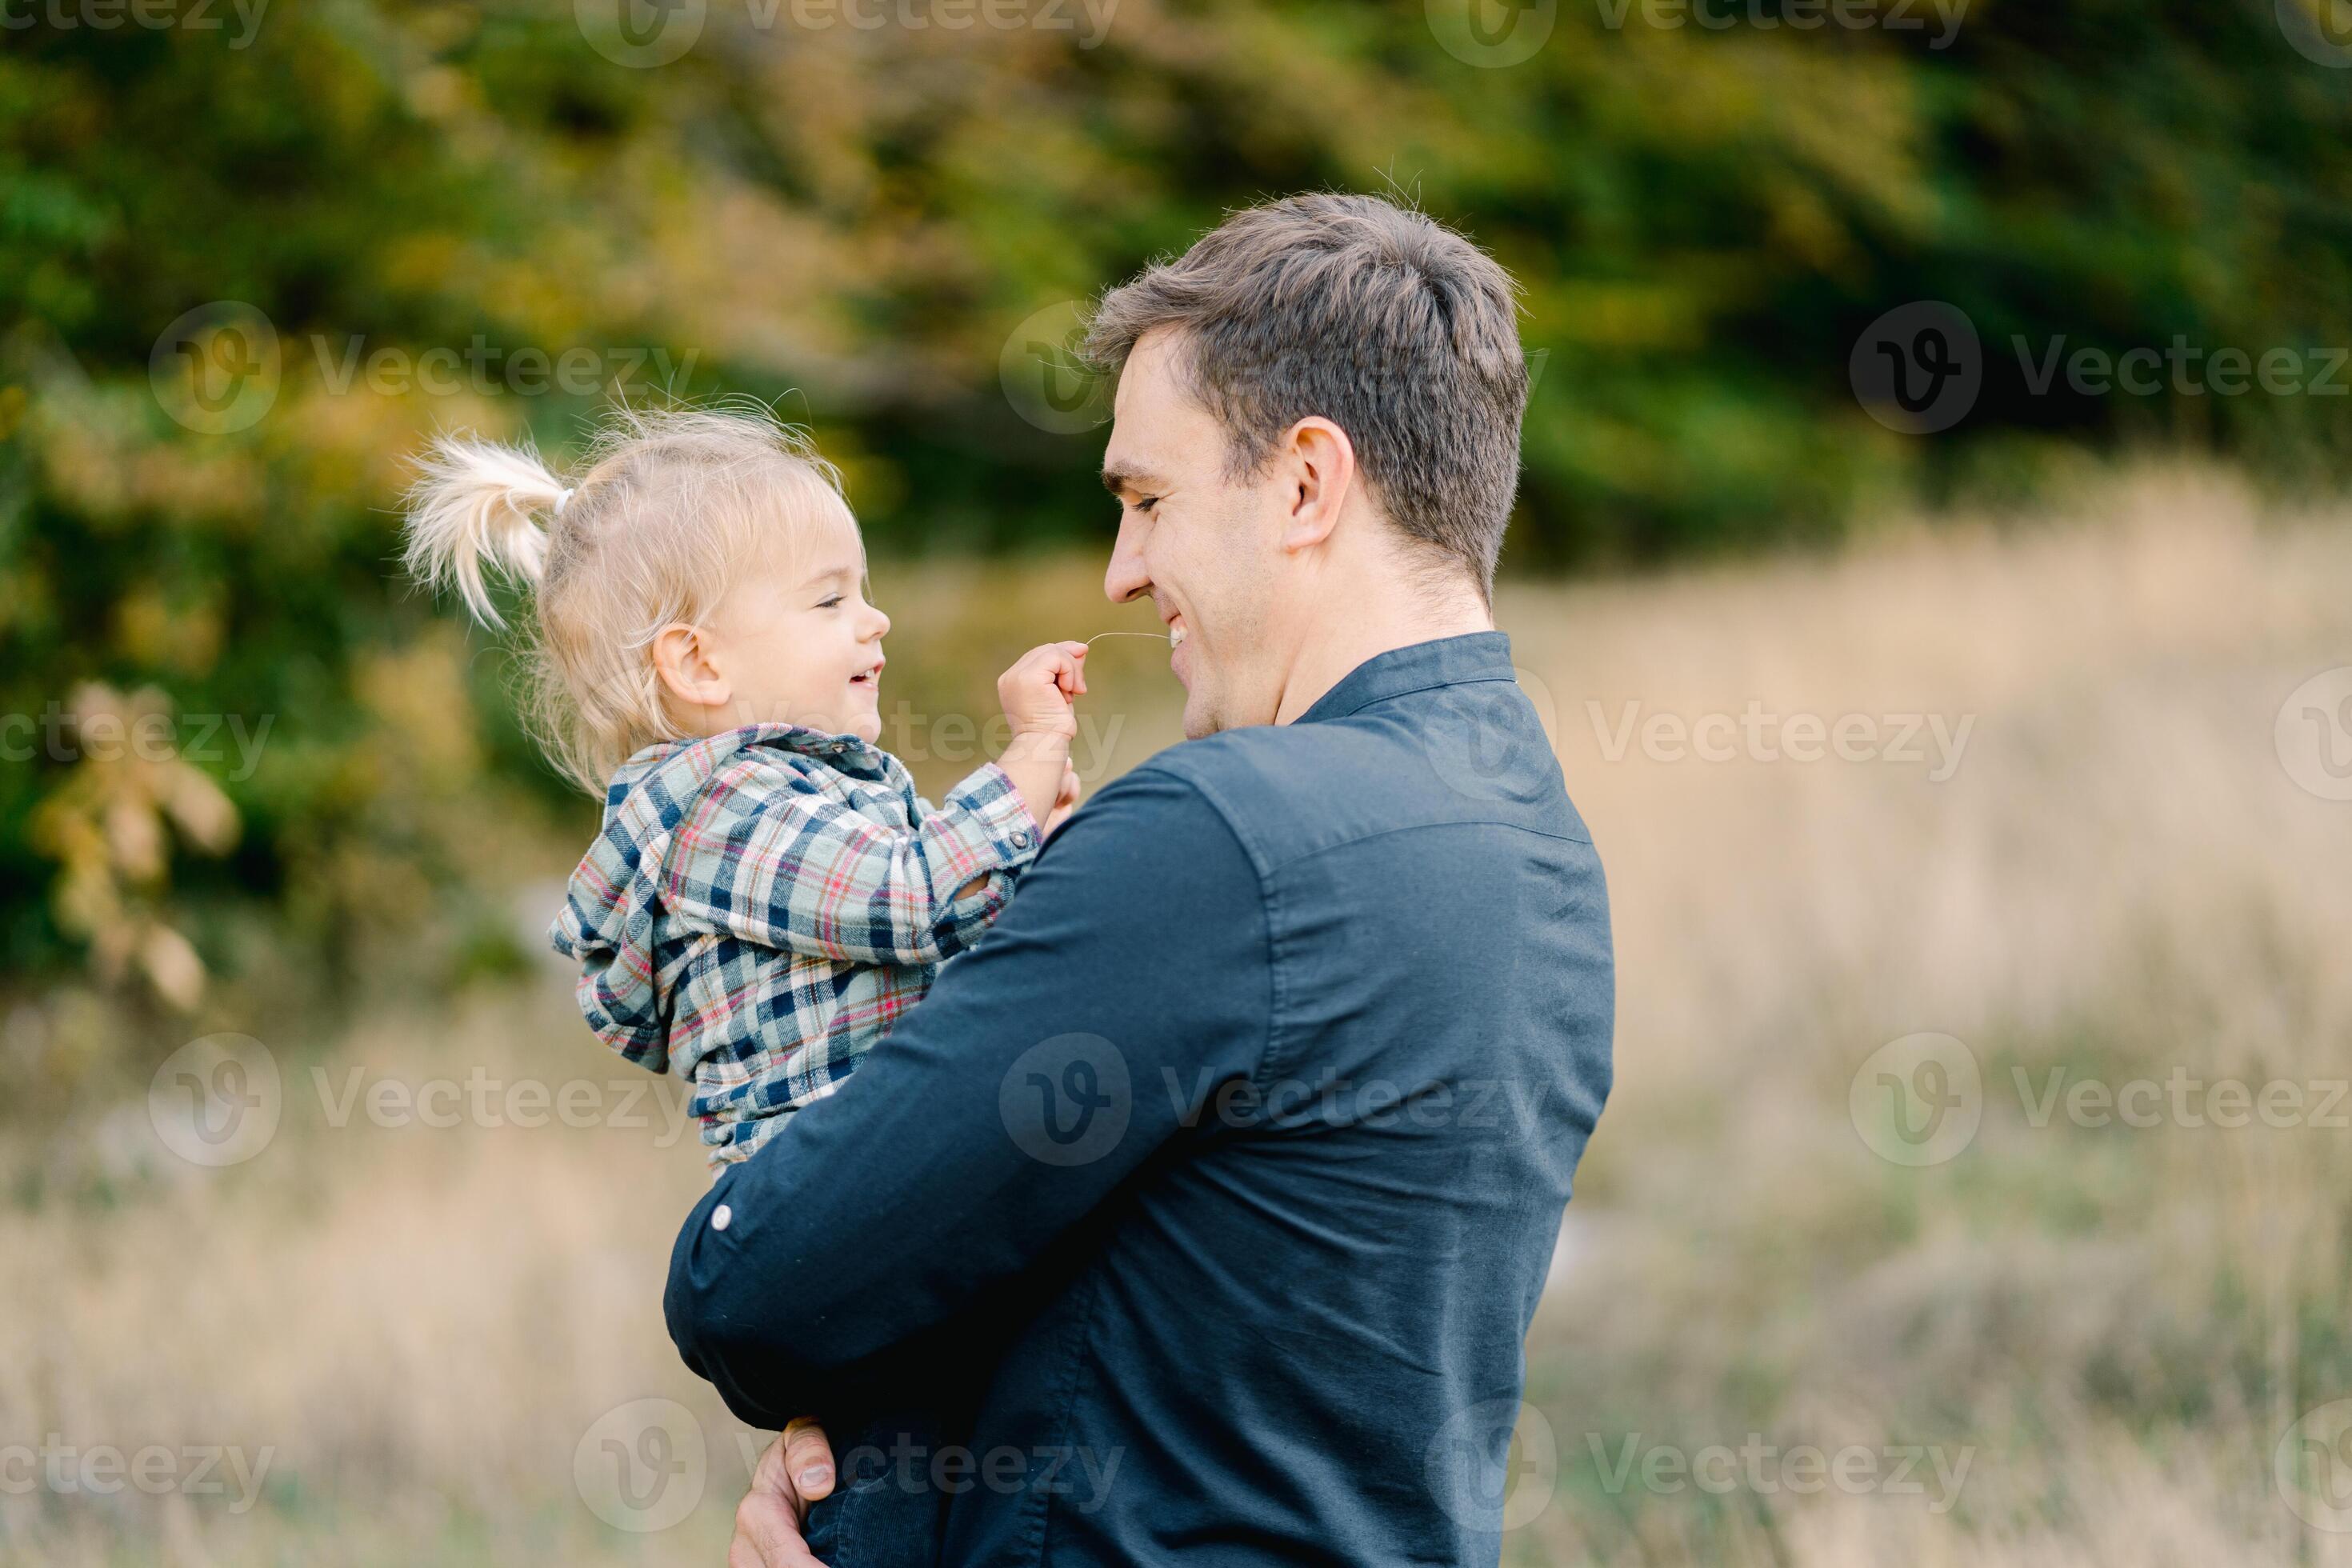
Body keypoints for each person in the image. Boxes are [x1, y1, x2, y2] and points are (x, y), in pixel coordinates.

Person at [670, 192, 1617, 1567]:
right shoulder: (1536, 843)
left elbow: (758, 1288)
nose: (1122, 573)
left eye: (1148, 500)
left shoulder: (1226, 837)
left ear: (1306, 484)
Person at [401, 406, 1086, 1561]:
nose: (874, 620)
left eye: (861, 589)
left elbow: (953, 942)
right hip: (854, 1213)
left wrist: (1038, 851)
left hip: (899, 1203)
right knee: (908, 1503)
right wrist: (1021, 769)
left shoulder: (811, 797)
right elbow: (909, 898)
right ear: (699, 663)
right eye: (828, 600)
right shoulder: (724, 810)